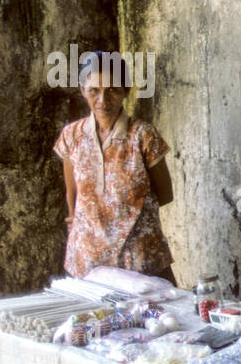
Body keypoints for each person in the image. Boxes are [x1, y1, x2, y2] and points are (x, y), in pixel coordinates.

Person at [54, 52, 176, 283]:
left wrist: (122, 216)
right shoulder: (72, 136)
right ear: (82, 90)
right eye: (94, 90)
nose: (103, 100)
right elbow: (73, 193)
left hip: (138, 258)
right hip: (88, 259)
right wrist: (79, 219)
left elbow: (165, 194)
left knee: (156, 316)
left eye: (113, 90)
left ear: (125, 90)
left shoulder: (143, 136)